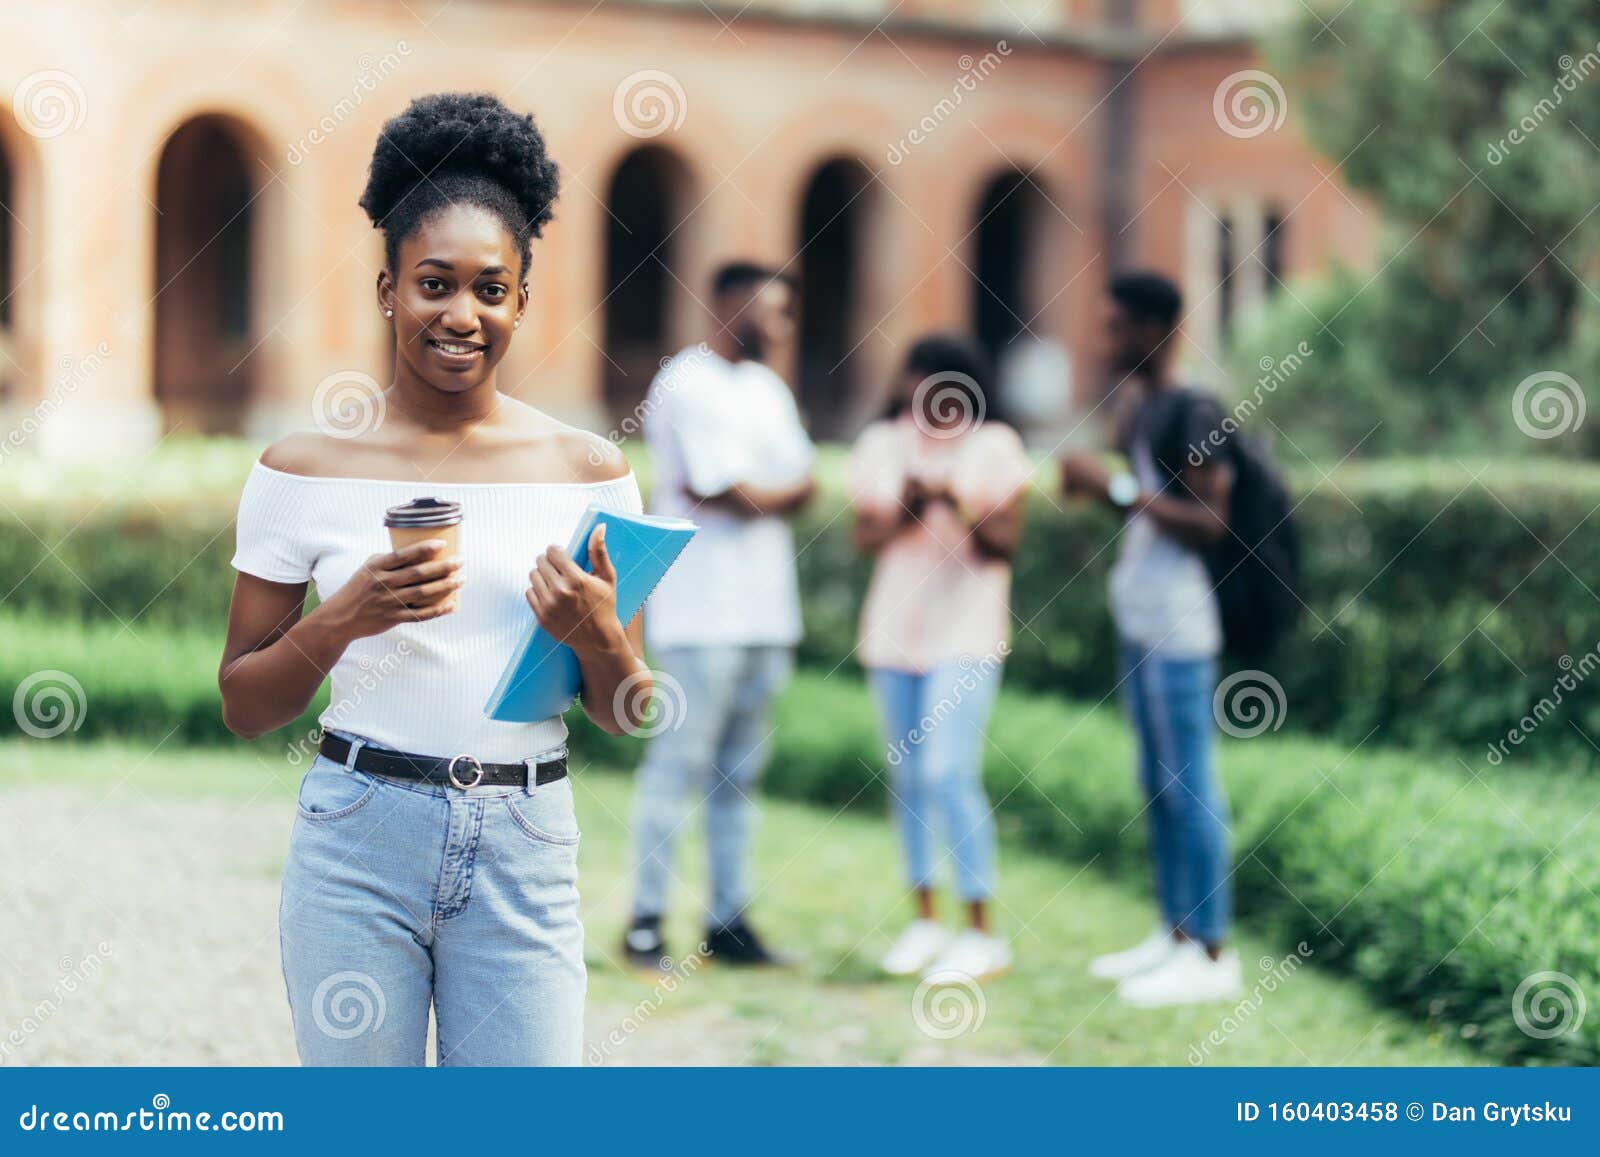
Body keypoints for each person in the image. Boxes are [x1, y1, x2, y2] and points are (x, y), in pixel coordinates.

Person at [219, 93, 651, 1065]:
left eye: (490, 289)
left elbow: (629, 710)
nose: (462, 315)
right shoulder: (302, 469)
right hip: (357, 834)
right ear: (386, 290)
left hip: (526, 840)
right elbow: (245, 704)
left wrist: (597, 632)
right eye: (434, 283)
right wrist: (342, 620)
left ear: (521, 301)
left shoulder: (588, 470)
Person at [621, 263, 816, 970]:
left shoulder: (767, 387)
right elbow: (727, 490)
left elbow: (805, 483)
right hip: (701, 610)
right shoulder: (686, 380)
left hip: (767, 611)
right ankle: (645, 919)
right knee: (677, 765)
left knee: (741, 775)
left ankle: (727, 920)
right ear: (732, 304)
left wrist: (769, 490)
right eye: (775, 311)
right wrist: (772, 489)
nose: (782, 326)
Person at [1058, 271, 1241, 1007]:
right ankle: (1174, 932)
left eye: (1118, 327)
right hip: (1139, 617)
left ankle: (1213, 949)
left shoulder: (1197, 410)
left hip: (1180, 623)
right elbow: (1144, 513)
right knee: (1157, 782)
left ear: (1158, 327)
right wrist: (1109, 488)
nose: (1106, 341)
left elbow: (1210, 524)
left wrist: (1115, 489)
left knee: (1192, 784)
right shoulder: (1143, 407)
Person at [849, 335, 1032, 981]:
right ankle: (925, 921)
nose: (920, 395)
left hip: (968, 633)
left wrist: (952, 496)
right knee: (908, 778)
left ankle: (982, 932)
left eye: (935, 382)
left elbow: (1004, 541)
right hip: (895, 632)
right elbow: (865, 535)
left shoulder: (995, 447)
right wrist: (910, 497)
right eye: (912, 380)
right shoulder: (881, 444)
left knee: (951, 771)